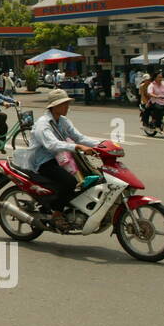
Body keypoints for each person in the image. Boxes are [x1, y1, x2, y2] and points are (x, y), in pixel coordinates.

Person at [25, 88, 102, 231]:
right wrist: (78, 147)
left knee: (89, 178)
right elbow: (52, 144)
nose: (67, 107)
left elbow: (79, 137)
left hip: (61, 158)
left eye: (67, 103)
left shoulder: (63, 120)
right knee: (70, 182)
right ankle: (57, 213)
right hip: (42, 161)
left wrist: (102, 145)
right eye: (63, 104)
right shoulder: (43, 124)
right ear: (54, 106)